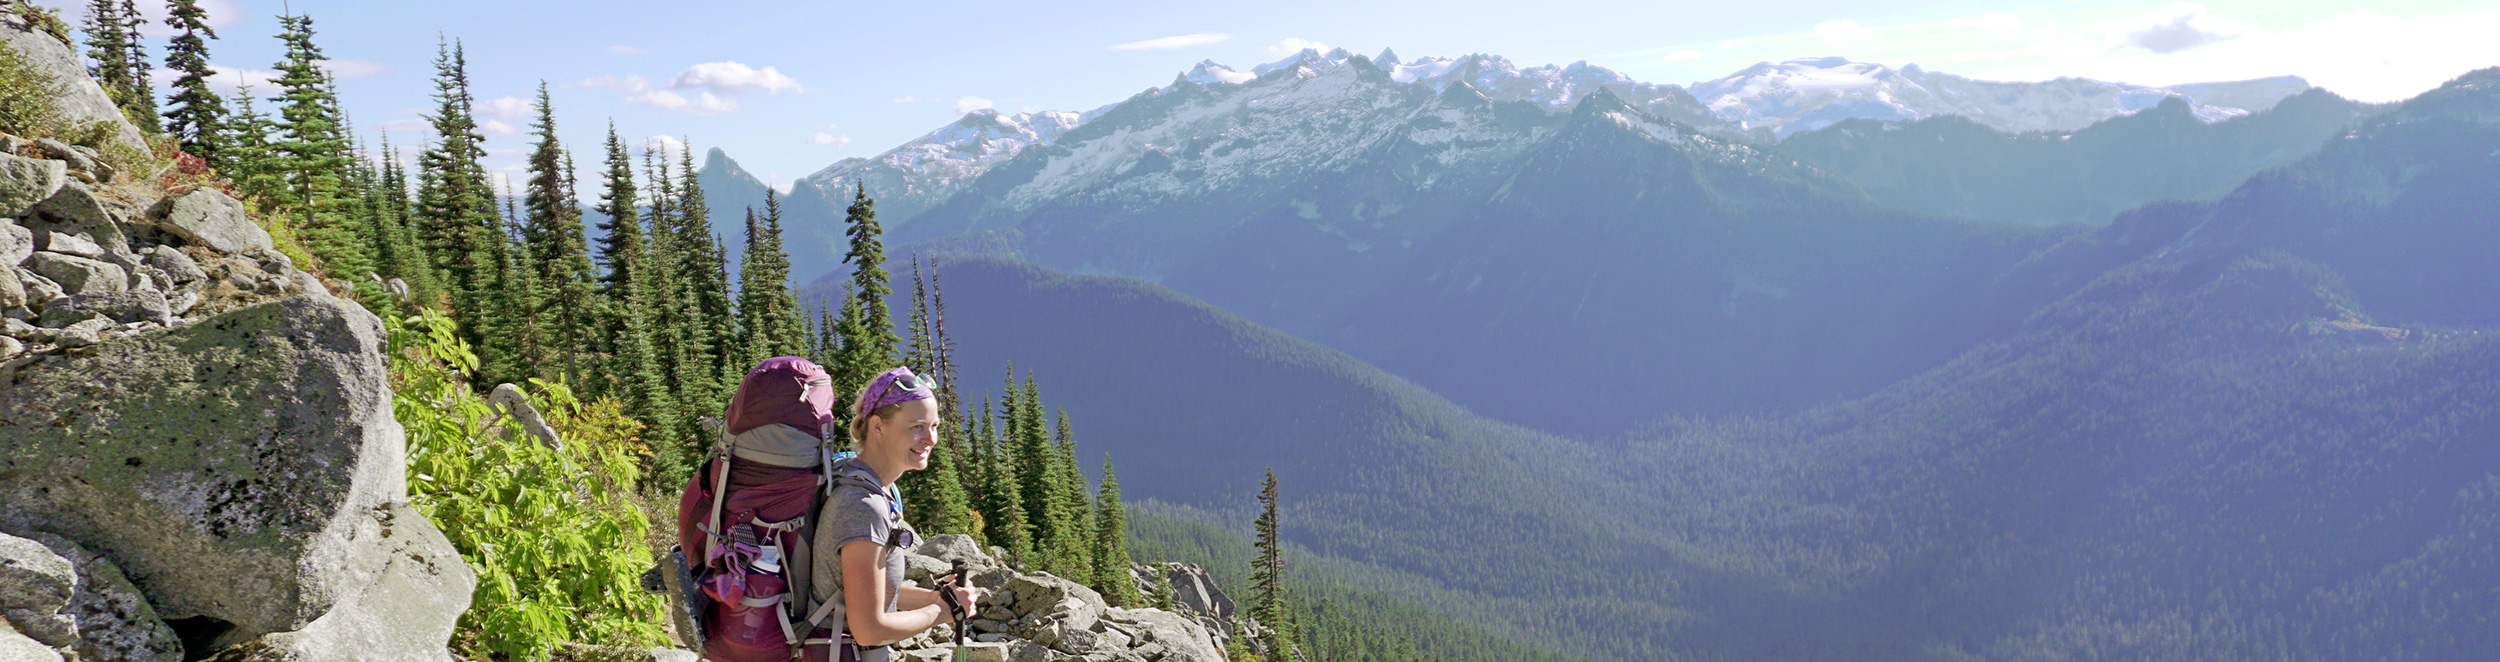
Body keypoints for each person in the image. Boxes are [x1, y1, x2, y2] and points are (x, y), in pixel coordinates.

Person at [808, 366, 978, 661]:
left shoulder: (858, 478)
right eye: (917, 427)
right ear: (878, 426)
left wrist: (936, 598)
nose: (931, 439)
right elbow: (870, 629)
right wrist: (942, 611)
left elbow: (863, 588)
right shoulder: (862, 504)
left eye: (935, 427)